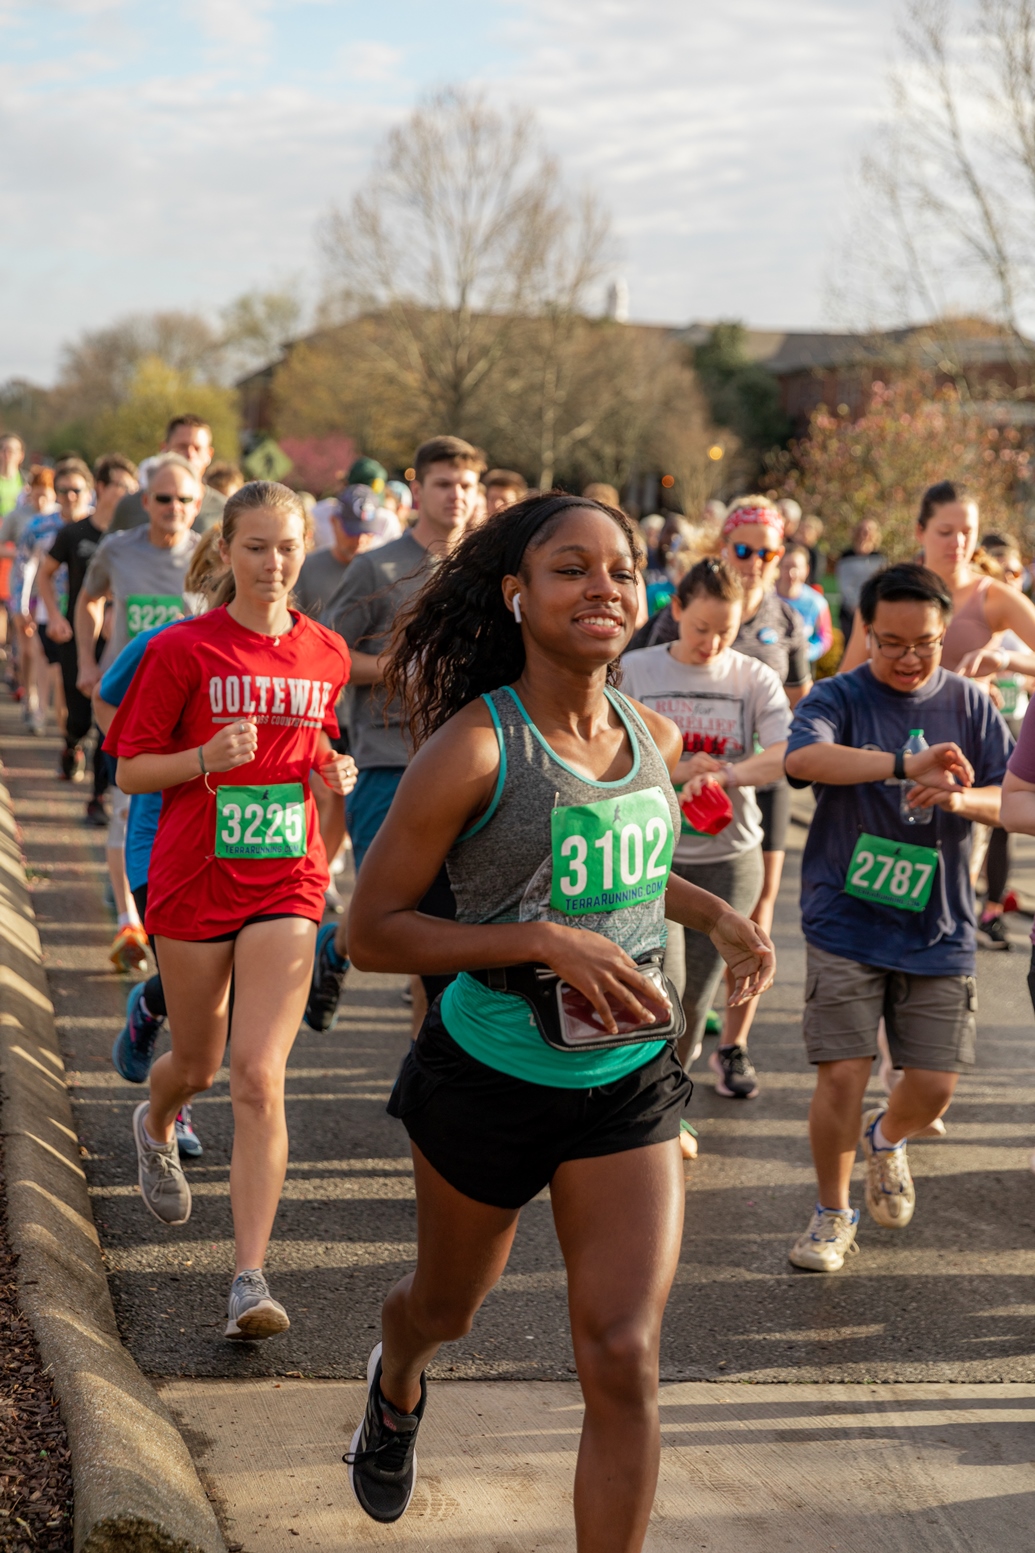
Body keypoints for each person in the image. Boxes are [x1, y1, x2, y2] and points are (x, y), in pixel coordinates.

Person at [343, 491, 775, 1533]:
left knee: (624, 1352)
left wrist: (718, 912)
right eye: (570, 569)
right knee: (445, 1307)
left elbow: (623, 869)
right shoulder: (473, 748)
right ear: (517, 592)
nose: (601, 588)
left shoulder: (648, 731)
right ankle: (395, 1377)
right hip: (488, 1076)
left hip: (627, 1078)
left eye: (620, 570)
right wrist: (537, 940)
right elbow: (371, 930)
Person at [103, 481, 355, 1338]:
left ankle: (249, 1277)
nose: (273, 563)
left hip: (287, 878)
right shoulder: (182, 649)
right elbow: (131, 768)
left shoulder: (326, 650)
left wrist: (330, 770)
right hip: (194, 874)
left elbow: (311, 740)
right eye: (256, 546)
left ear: (303, 549)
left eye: (287, 547)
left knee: (258, 1074)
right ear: (226, 549)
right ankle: (155, 1119)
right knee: (200, 1063)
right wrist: (204, 758)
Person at [784, 563, 1010, 1272]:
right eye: (891, 643)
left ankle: (886, 1139)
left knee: (935, 1085)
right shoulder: (838, 694)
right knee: (842, 1074)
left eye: (925, 643)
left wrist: (959, 800)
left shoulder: (970, 704)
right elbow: (804, 758)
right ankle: (831, 1213)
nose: (909, 658)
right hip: (844, 916)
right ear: (867, 631)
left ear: (945, 634)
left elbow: (1012, 795)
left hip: (939, 922)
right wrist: (901, 765)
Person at [308, 436, 485, 1031]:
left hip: (467, 764)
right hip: (389, 756)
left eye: (465, 485)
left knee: (443, 934)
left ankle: (430, 1062)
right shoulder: (378, 566)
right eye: (443, 483)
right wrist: (396, 669)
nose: (456, 495)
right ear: (417, 489)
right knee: (398, 914)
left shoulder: (485, 572)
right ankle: (338, 945)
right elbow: (327, 653)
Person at [622, 558, 790, 1114]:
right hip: (653, 856)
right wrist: (672, 771)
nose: (712, 643)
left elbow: (786, 753)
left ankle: (668, 1103)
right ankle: (641, 1105)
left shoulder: (753, 676)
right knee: (660, 986)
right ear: (676, 610)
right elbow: (602, 749)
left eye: (726, 631)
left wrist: (727, 775)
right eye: (700, 628)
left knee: (696, 995)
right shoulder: (635, 670)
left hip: (729, 856)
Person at [98, 529, 228, 1159]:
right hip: (163, 844)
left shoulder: (290, 651)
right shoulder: (165, 643)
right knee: (197, 992)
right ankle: (176, 1111)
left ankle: (149, 1005)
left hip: (244, 848)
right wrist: (147, 756)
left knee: (220, 986)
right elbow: (106, 701)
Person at [76, 456, 203, 973]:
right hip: (125, 698)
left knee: (172, 813)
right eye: (164, 498)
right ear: (146, 501)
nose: (174, 508)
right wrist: (88, 663)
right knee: (126, 803)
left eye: (184, 499)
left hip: (188, 711)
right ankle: (129, 921)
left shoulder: (210, 557)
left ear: (198, 504)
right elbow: (88, 600)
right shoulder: (117, 549)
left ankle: (164, 909)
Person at [38, 454, 138, 789]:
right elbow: (45, 574)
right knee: (79, 717)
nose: (129, 494)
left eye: (133, 488)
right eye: (122, 486)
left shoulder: (133, 538)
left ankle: (99, 794)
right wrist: (53, 615)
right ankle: (71, 745)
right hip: (77, 633)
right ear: (101, 487)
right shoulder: (74, 532)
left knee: (108, 717)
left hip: (117, 636)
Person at [111, 415, 225, 534]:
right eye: (182, 446)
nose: (190, 454)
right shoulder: (131, 506)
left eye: (197, 448)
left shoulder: (223, 510)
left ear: (209, 454)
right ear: (164, 449)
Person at [778, 543, 833, 663]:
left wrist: (809, 652)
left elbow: (825, 637)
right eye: (787, 567)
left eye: (797, 567)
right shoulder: (766, 596)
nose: (791, 573)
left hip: (800, 665)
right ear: (779, 568)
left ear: (806, 570)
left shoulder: (817, 602)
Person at [836, 518, 884, 638]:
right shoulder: (846, 557)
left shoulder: (880, 558)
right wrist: (855, 606)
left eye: (869, 530)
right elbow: (844, 583)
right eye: (863, 530)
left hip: (872, 610)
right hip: (849, 612)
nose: (866, 533)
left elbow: (881, 583)